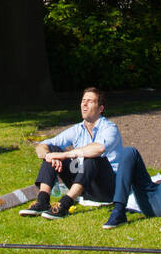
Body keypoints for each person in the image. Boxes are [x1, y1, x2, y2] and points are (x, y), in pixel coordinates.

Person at [18, 87, 123, 219]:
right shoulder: (77, 129)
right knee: (53, 149)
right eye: (83, 100)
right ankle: (43, 201)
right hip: (84, 184)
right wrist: (49, 156)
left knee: (93, 157)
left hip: (107, 187)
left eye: (90, 101)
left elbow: (99, 149)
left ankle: (64, 205)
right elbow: (42, 146)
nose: (84, 104)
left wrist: (64, 155)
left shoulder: (110, 128)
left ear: (100, 108)